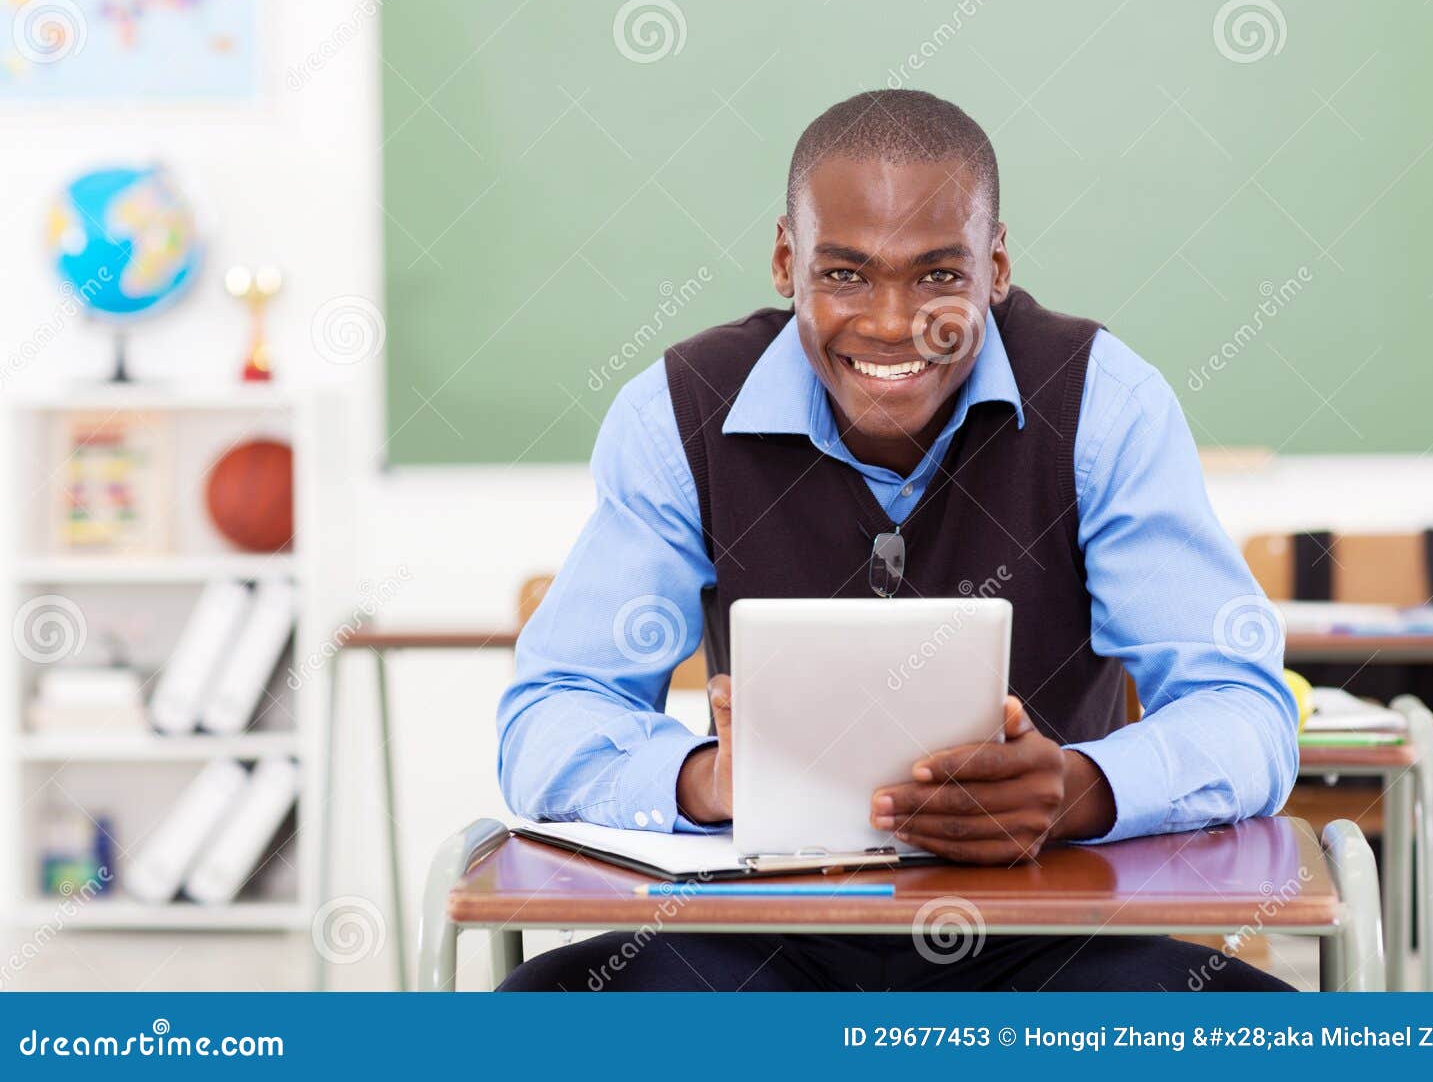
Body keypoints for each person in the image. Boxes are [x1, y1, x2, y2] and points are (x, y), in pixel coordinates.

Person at [496, 89, 1298, 991]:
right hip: (761, 939)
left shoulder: (1104, 401)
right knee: (548, 1012)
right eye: (844, 275)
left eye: (937, 276)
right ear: (783, 261)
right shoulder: (680, 411)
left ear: (995, 268)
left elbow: (1244, 709)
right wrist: (707, 782)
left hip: (1052, 934)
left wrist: (1078, 790)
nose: (891, 323)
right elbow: (548, 717)